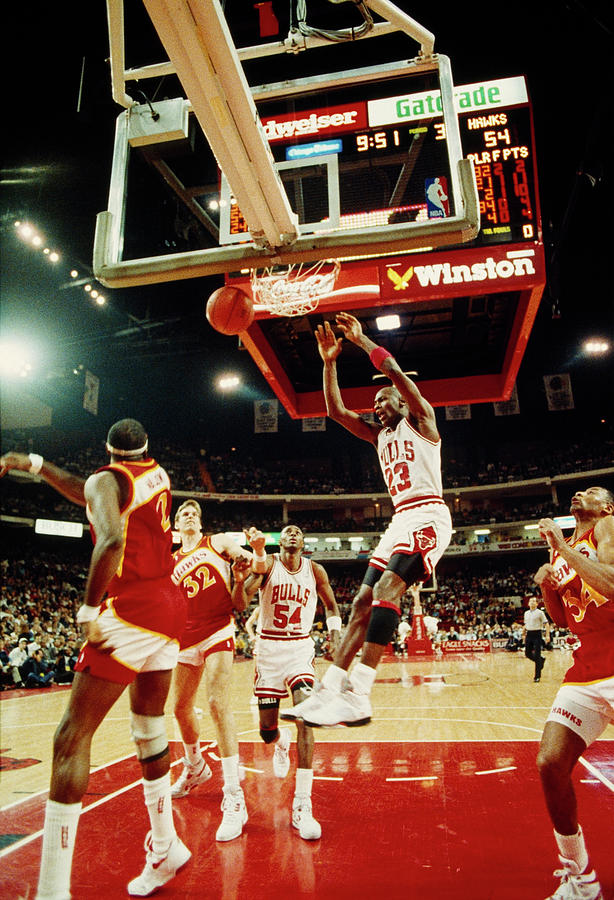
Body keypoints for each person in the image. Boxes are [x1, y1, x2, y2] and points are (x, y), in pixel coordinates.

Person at [0, 420, 190, 899]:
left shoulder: (107, 480)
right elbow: (89, 491)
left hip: (131, 609)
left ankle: (52, 889)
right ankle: (166, 844)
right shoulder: (157, 474)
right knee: (148, 728)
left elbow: (110, 539)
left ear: (107, 450)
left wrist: (89, 608)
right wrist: (38, 467)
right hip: (170, 608)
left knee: (70, 738)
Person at [284, 313, 452, 727]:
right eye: (374, 403)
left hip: (428, 512)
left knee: (390, 587)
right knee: (361, 600)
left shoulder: (423, 421)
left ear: (401, 402)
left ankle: (359, 694)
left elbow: (393, 371)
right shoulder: (379, 437)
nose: (377, 406)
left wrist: (361, 342)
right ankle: (328, 691)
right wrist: (329, 362)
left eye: (384, 400)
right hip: (399, 520)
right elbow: (337, 411)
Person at [534, 485, 614, 900]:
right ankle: (581, 879)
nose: (579, 493)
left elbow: (613, 583)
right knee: (550, 764)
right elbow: (561, 618)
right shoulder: (563, 550)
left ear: (607, 505)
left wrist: (562, 549)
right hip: (584, 672)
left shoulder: (607, 527)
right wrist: (547, 583)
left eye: (591, 491)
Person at [170, 499, 266, 842]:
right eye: (184, 513)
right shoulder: (169, 562)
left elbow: (258, 567)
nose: (191, 515)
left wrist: (255, 551)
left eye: (195, 513)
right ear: (175, 525)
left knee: (215, 703)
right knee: (180, 708)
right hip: (184, 638)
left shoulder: (219, 541)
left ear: (201, 521)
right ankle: (195, 765)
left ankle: (234, 796)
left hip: (217, 627)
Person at [242, 524, 341, 839]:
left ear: (303, 542)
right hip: (269, 651)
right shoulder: (268, 563)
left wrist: (335, 635)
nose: (293, 534)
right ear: (280, 541)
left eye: (298, 531)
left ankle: (303, 803)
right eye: (287, 531)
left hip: (300, 648)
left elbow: (332, 606)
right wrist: (248, 571)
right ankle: (280, 743)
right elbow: (244, 595)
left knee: (305, 714)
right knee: (266, 731)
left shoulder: (316, 570)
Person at [523, 596, 550, 682]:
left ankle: (537, 676)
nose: (532, 602)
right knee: (527, 653)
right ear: (528, 603)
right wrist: (523, 633)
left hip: (537, 634)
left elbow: (546, 624)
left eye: (534, 601)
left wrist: (547, 635)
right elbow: (526, 624)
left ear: (537, 604)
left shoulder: (540, 613)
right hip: (529, 634)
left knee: (537, 654)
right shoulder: (526, 613)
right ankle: (540, 660)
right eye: (530, 601)